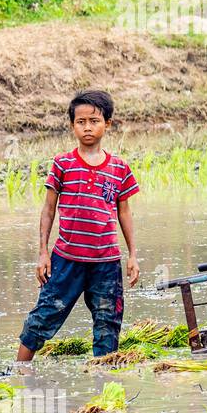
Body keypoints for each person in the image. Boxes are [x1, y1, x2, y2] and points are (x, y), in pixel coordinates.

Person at [16, 91, 140, 360]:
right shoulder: (63, 164)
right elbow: (48, 209)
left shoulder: (119, 167)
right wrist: (42, 252)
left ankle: (103, 386)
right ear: (72, 125)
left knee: (108, 325)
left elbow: (124, 212)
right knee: (44, 316)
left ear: (107, 124)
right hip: (67, 259)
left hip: (106, 262)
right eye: (80, 121)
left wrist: (132, 255)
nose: (87, 127)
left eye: (94, 121)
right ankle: (19, 374)